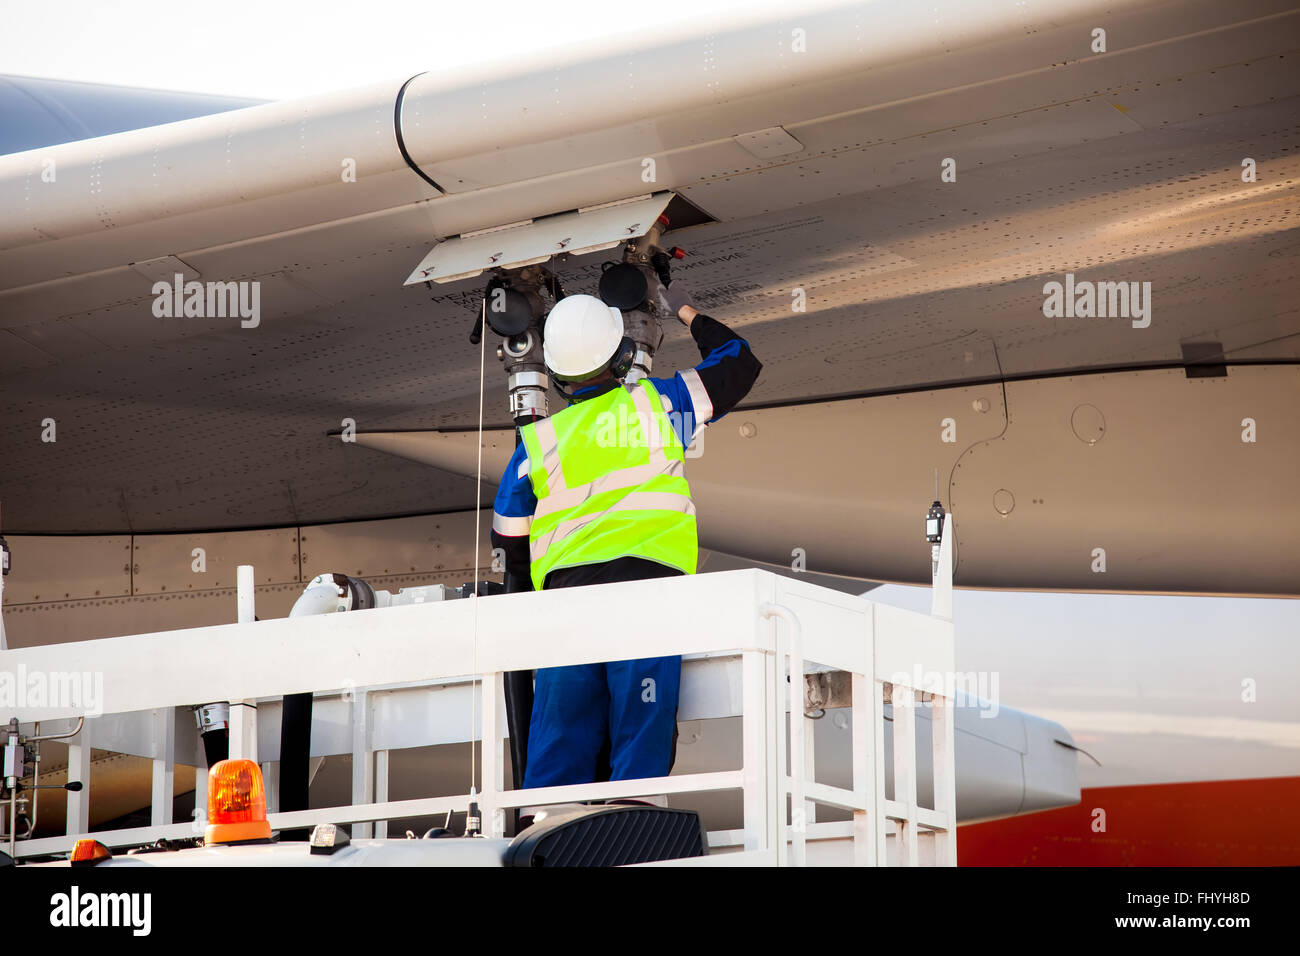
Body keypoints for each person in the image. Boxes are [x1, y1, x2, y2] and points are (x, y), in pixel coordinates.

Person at [490, 278, 761, 790]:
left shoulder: (538, 443)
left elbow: (508, 540)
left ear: (556, 377)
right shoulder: (660, 406)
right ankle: (637, 829)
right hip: (648, 596)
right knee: (641, 732)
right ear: (620, 357)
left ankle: (545, 827)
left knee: (558, 738)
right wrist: (679, 307)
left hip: (567, 606)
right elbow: (739, 362)